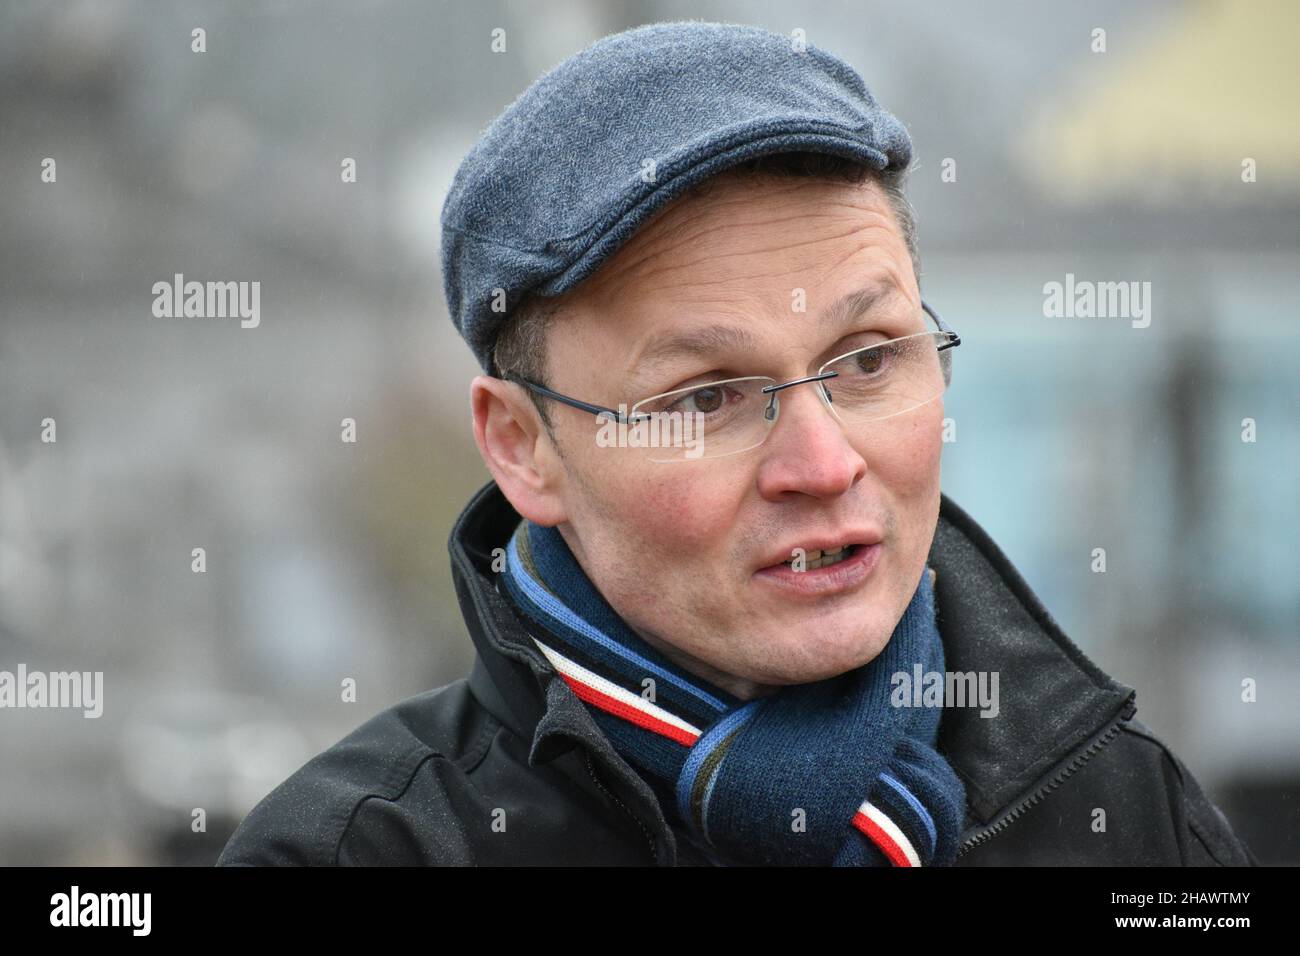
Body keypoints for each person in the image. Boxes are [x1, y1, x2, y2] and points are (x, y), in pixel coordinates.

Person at [217, 20, 1257, 866]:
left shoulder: (1121, 810)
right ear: (522, 447)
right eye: (709, 395)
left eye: (865, 359)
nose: (823, 464)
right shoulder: (360, 850)